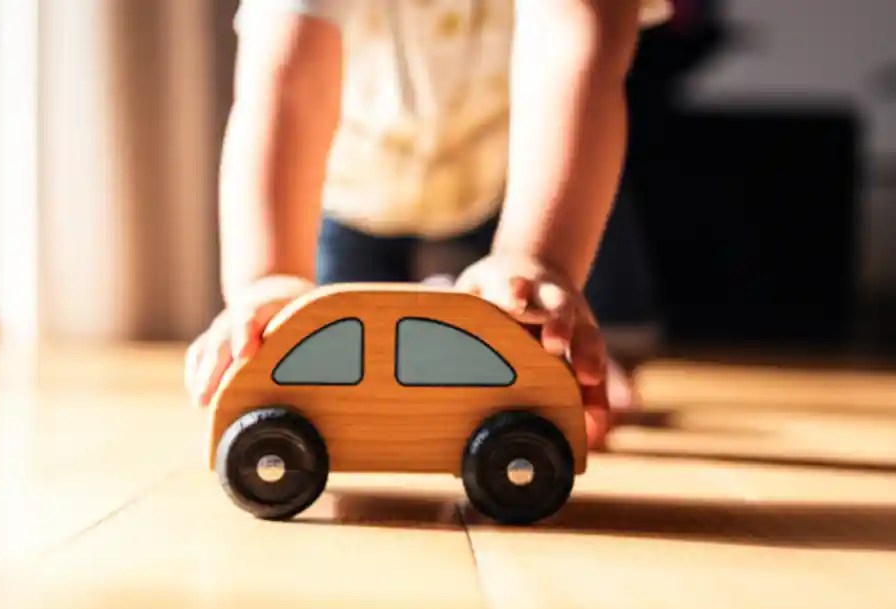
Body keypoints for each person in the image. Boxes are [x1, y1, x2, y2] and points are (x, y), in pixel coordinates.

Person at [185, 0, 672, 449]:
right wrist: (271, 275)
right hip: (356, 184)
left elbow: (574, 42)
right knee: (331, 355)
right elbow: (290, 82)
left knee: (562, 307)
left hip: (513, 177)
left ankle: (586, 351)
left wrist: (539, 258)